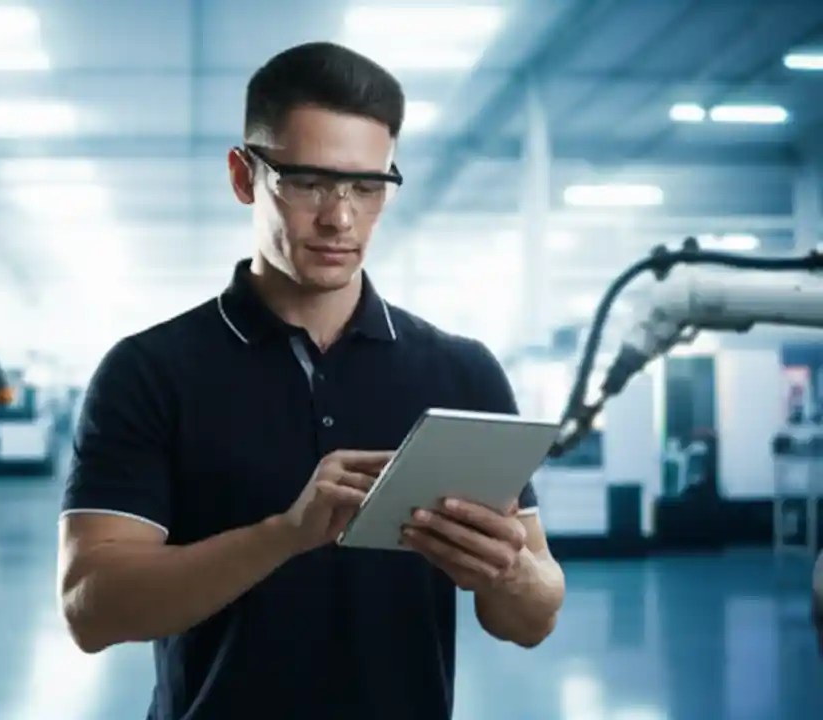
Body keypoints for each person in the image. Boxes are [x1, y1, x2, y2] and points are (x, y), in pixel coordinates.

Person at [57, 41, 566, 719]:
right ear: (245, 176)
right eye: (309, 183)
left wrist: (507, 571)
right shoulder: (151, 371)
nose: (341, 217)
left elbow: (530, 619)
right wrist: (284, 534)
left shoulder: (460, 371)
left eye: (367, 186)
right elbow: (91, 610)